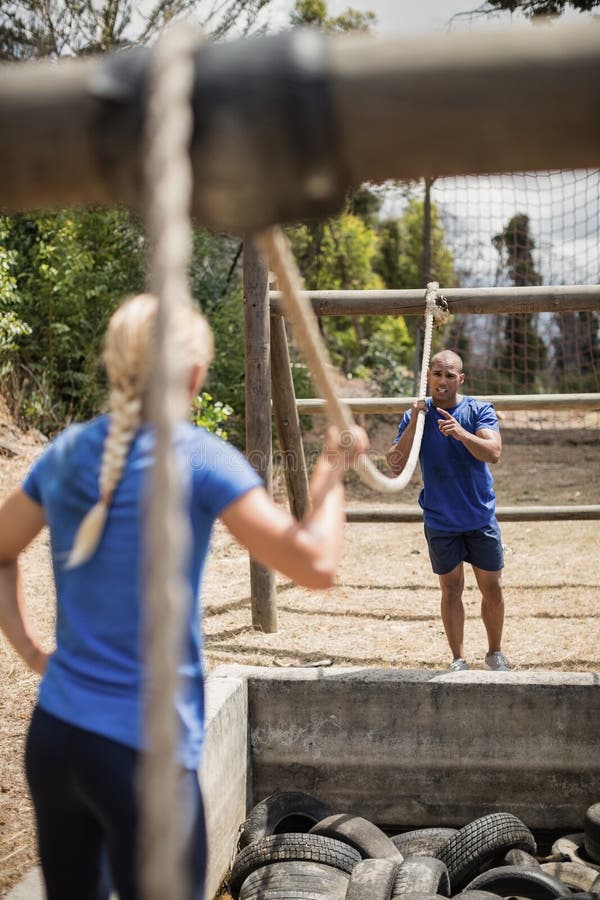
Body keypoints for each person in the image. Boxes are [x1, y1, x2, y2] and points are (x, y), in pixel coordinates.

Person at [0, 292, 369, 900]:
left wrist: (33, 652)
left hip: (56, 741)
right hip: (140, 756)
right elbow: (317, 565)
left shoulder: (65, 454)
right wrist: (331, 471)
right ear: (196, 375)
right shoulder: (198, 458)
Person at [386, 349, 510, 673]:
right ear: (428, 376)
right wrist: (415, 419)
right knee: (451, 589)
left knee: (491, 588)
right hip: (440, 519)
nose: (442, 381)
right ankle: (458, 659)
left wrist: (461, 432)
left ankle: (495, 653)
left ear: (461, 379)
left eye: (449, 375)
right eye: (437, 374)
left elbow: (494, 452)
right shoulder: (418, 414)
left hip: (479, 516)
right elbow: (395, 462)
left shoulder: (478, 410)